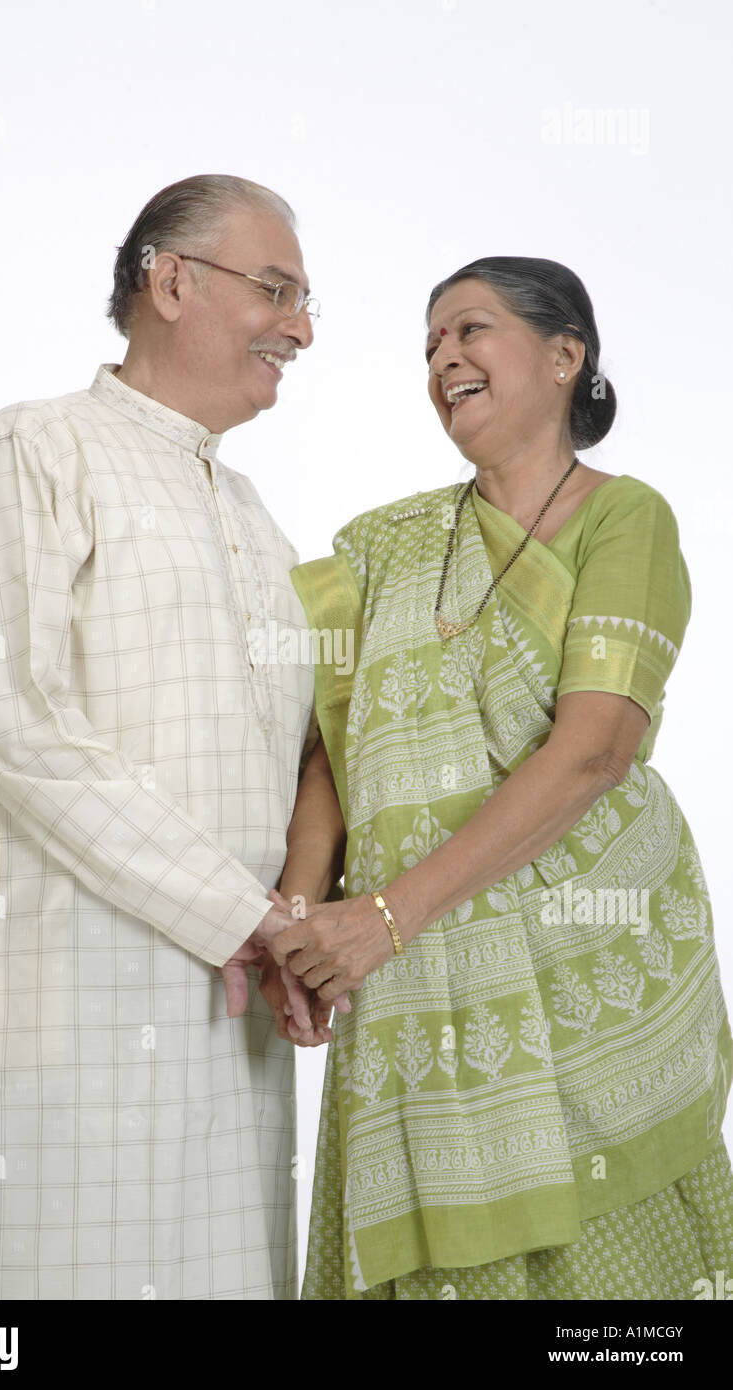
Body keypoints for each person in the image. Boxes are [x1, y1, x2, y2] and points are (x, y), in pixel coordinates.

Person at [0, 173, 334, 1302]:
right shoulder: (34, 450)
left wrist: (295, 924)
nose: (302, 329)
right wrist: (242, 915)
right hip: (59, 985)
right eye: (275, 290)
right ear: (169, 281)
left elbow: (305, 756)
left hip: (230, 1008)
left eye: (308, 301)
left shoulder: (260, 524)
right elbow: (12, 720)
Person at [272, 256, 733, 1300]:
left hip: (580, 966)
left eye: (469, 331)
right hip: (408, 980)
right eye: (430, 347)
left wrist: (380, 918)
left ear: (564, 355)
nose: (443, 360)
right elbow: (333, 754)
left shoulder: (625, 519)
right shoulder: (383, 545)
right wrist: (299, 921)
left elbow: (593, 749)